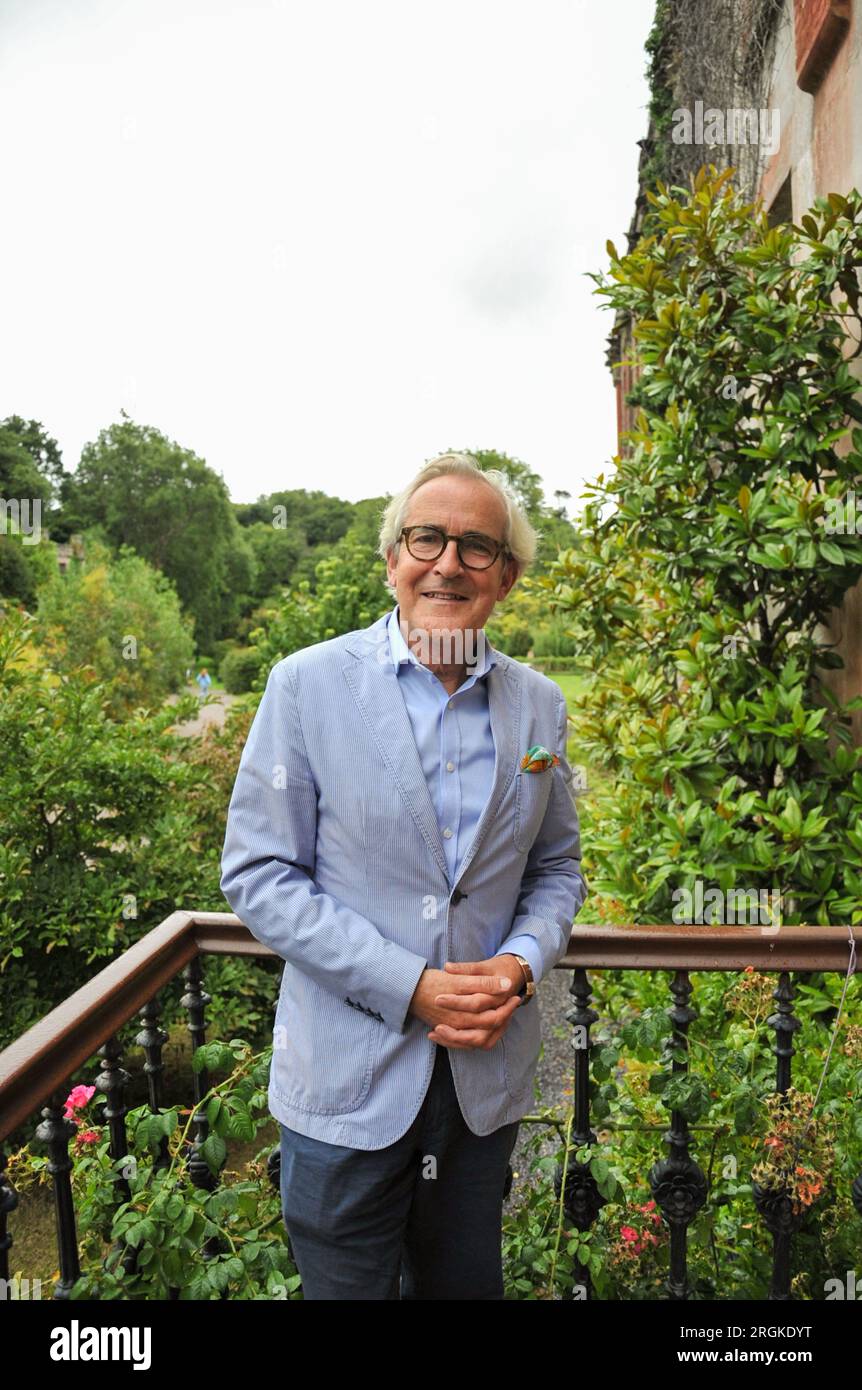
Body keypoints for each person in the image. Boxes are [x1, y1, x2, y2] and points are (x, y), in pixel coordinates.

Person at [219, 452, 587, 1299]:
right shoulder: (306, 686)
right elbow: (259, 871)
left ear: (508, 577)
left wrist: (522, 962)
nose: (448, 562)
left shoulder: (540, 706)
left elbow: (556, 866)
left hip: (477, 1091)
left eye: (477, 546)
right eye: (427, 538)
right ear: (392, 560)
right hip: (347, 1083)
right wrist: (408, 984)